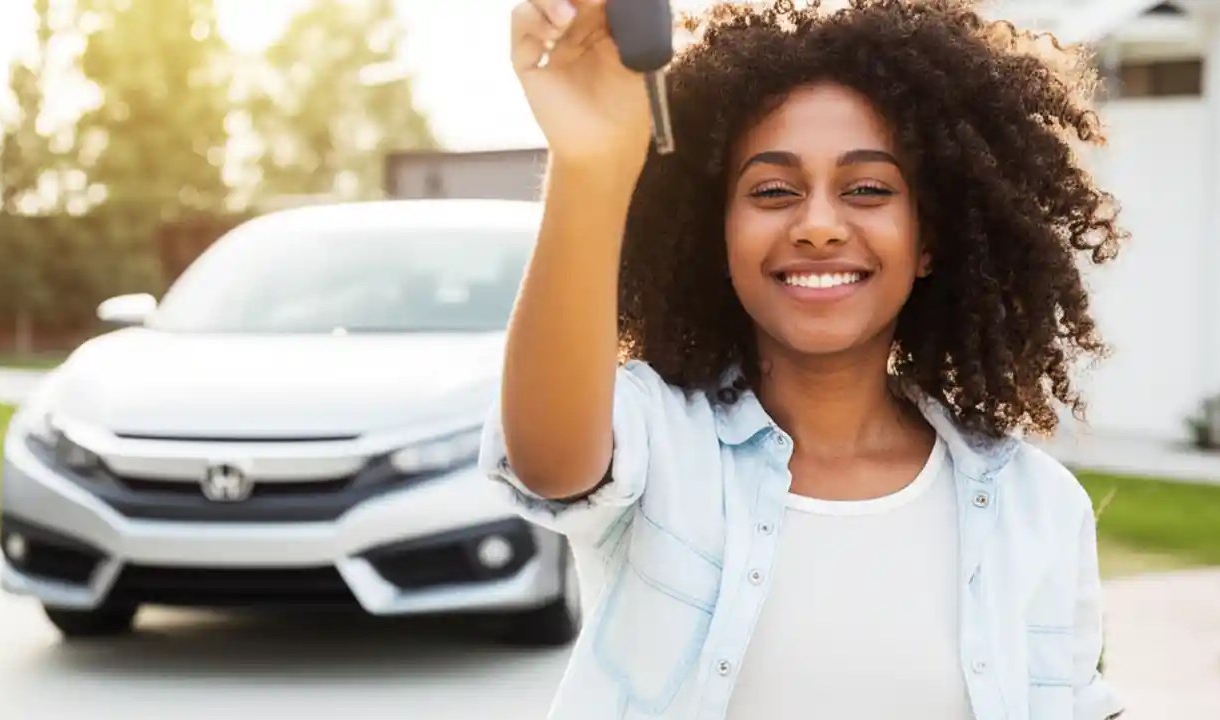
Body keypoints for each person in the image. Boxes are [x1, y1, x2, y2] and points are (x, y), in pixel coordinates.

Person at [483, 0, 1128, 718]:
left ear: (927, 243)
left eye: (867, 190)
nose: (819, 225)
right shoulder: (659, 444)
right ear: (716, 235)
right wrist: (592, 163)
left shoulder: (1037, 509)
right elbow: (547, 460)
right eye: (773, 191)